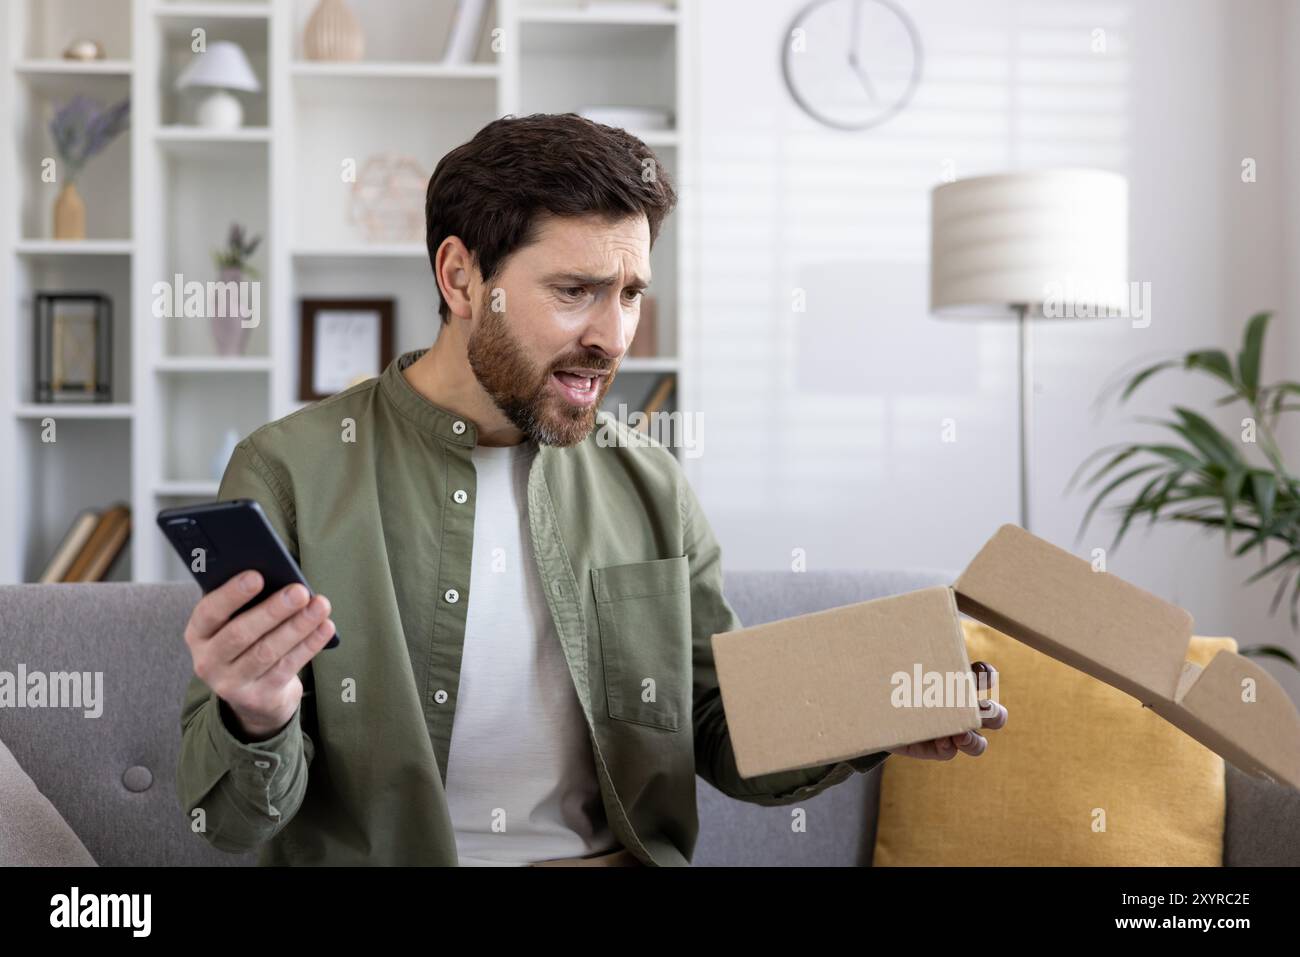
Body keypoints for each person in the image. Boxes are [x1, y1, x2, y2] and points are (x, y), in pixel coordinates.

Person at [176, 112, 1008, 867]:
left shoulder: (648, 481)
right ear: (462, 279)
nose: (611, 338)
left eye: (632, 294)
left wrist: (877, 713)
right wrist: (258, 715)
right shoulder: (289, 471)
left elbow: (718, 727)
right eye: (574, 291)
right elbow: (231, 822)